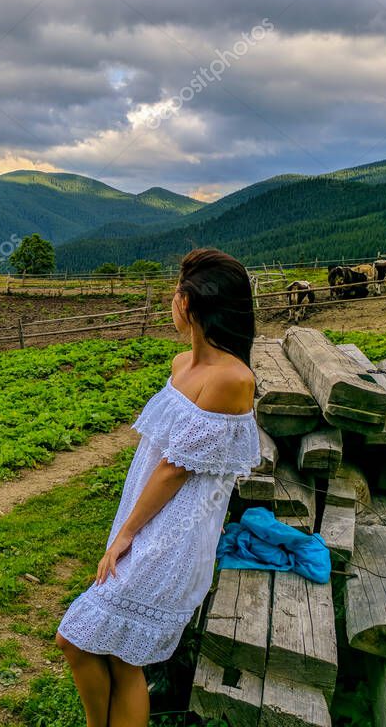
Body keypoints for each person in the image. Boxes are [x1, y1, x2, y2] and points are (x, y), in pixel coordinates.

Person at [54, 248, 261, 727]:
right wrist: (127, 528)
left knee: (77, 639)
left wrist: (126, 535)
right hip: (145, 520)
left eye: (175, 293)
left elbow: (174, 470)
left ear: (190, 304)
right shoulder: (181, 365)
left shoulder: (232, 379)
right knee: (117, 656)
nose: (171, 302)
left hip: (173, 538)